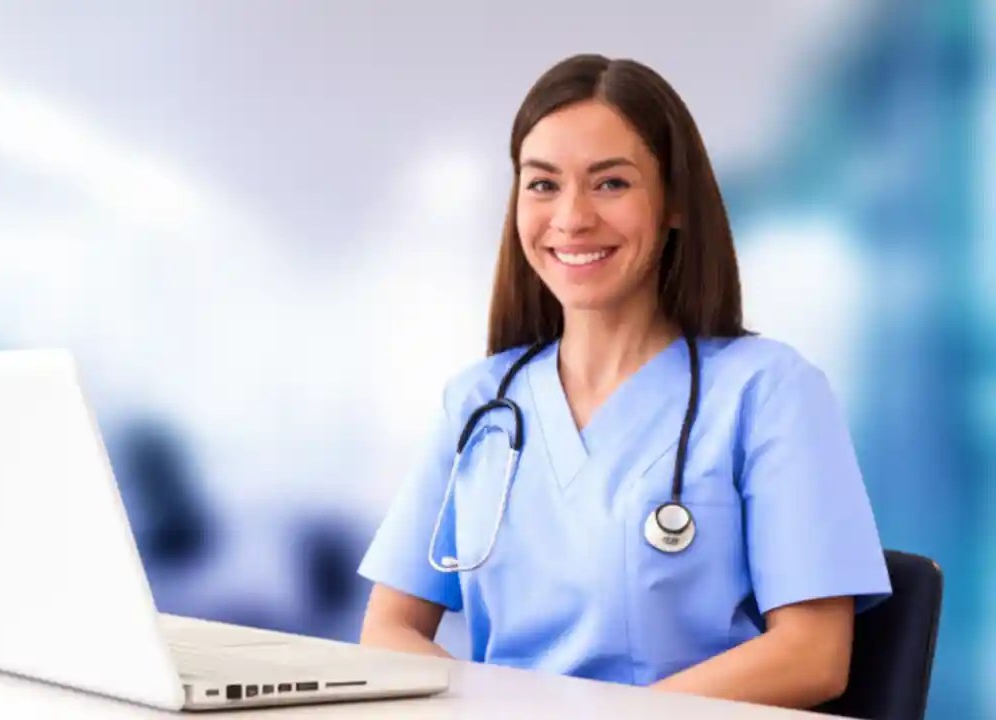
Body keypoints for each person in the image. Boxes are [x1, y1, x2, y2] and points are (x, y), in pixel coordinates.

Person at [356, 54, 891, 710]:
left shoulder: (770, 392)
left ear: (674, 204)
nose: (573, 217)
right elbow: (389, 628)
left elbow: (813, 654)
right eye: (543, 184)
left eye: (610, 183)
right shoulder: (479, 401)